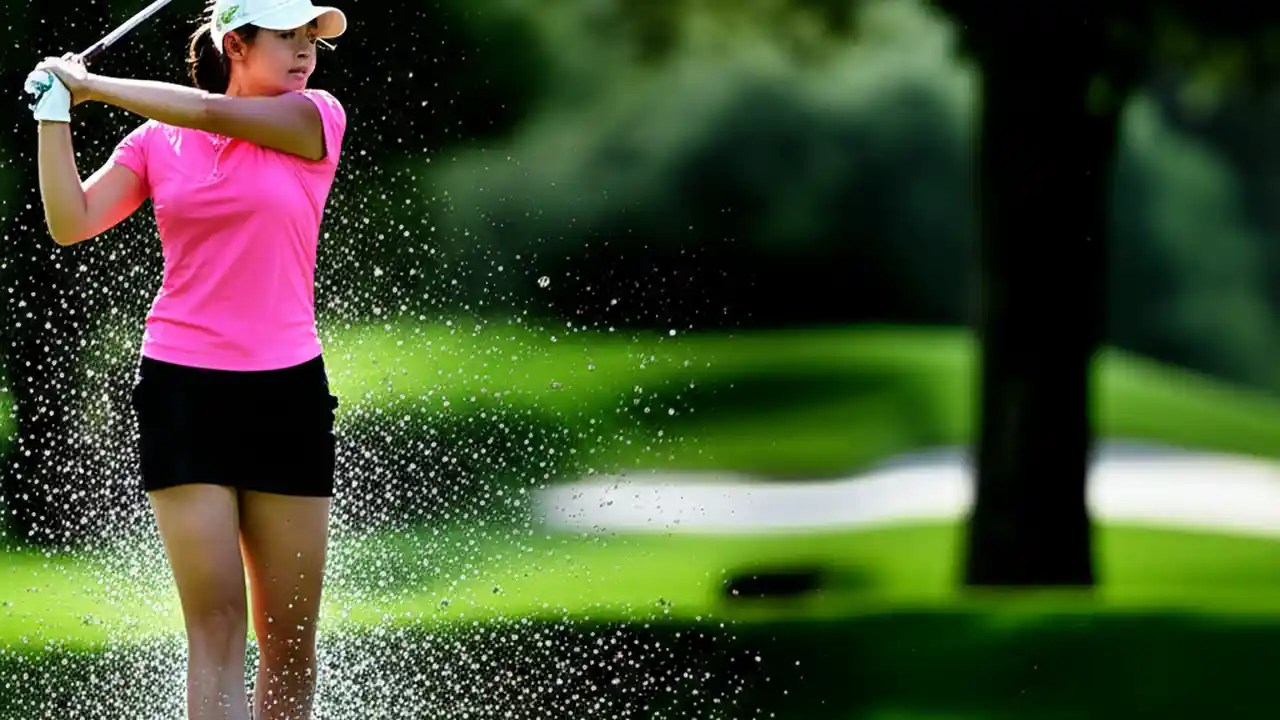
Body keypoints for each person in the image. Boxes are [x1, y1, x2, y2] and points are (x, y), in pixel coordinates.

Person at [30, 1, 349, 718]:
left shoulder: (315, 119)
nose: (306, 53)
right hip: (183, 389)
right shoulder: (154, 144)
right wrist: (55, 113)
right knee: (216, 628)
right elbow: (70, 221)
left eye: (311, 40)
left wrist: (91, 85)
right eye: (288, 38)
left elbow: (206, 113)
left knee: (289, 643)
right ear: (237, 43)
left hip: (288, 395)